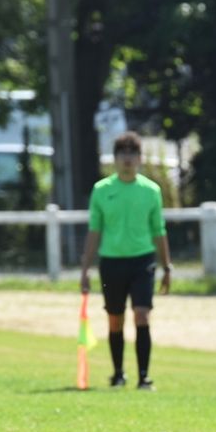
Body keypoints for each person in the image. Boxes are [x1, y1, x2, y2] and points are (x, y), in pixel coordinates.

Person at [79, 132, 172, 390]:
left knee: (142, 315)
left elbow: (159, 230)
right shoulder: (102, 190)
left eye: (133, 154)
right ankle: (118, 373)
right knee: (115, 318)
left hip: (142, 261)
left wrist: (167, 267)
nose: (128, 159)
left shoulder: (151, 191)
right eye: (123, 154)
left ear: (140, 159)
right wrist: (85, 270)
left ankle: (144, 376)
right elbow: (94, 231)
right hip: (111, 262)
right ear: (115, 159)